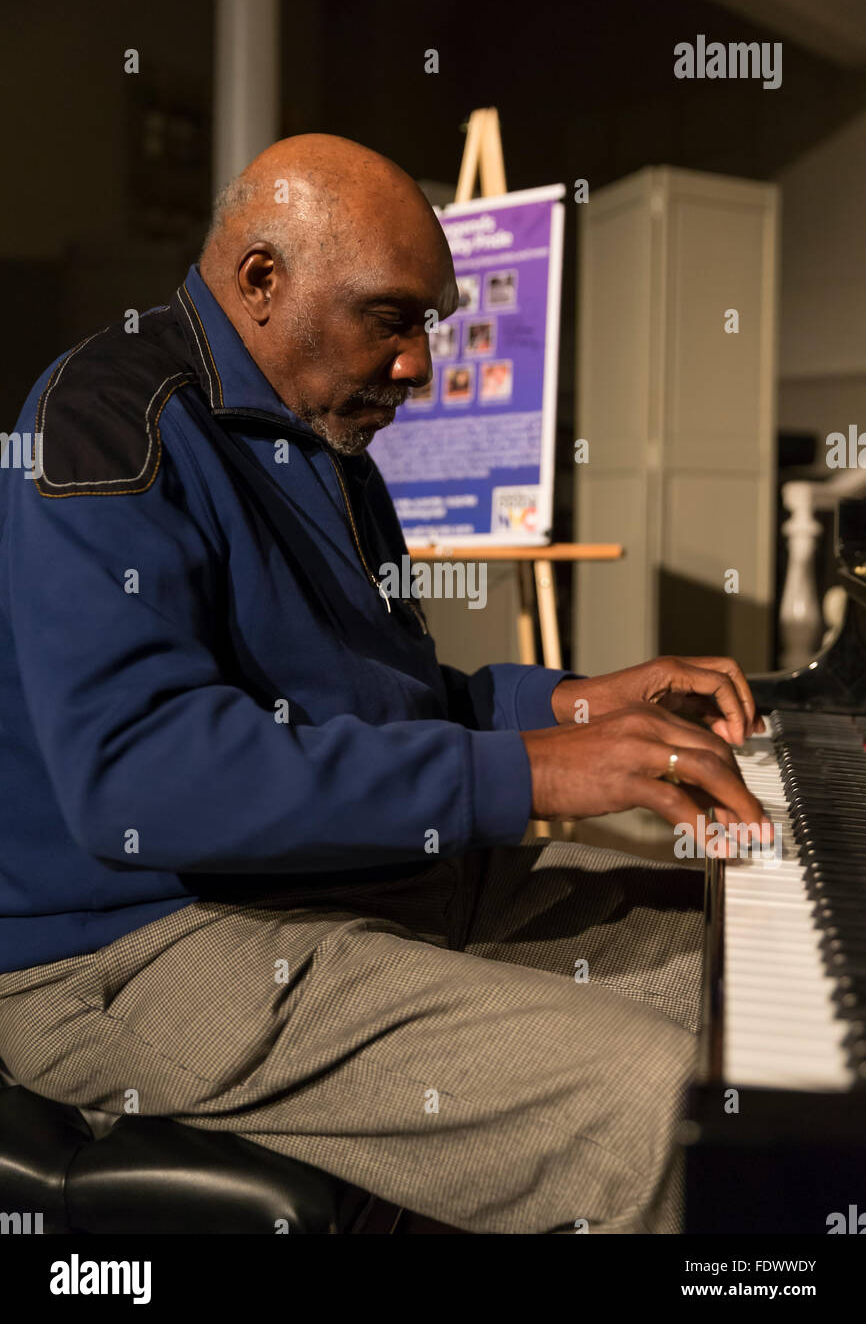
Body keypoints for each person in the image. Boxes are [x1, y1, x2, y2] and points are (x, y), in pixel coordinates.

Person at [0, 134, 766, 1234]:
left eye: (428, 324)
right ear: (261, 279)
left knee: (747, 961)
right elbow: (140, 783)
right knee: (664, 1110)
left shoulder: (323, 444)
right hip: (131, 945)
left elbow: (381, 704)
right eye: (390, 317)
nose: (417, 364)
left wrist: (576, 704)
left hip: (325, 882)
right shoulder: (110, 418)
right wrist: (523, 771)